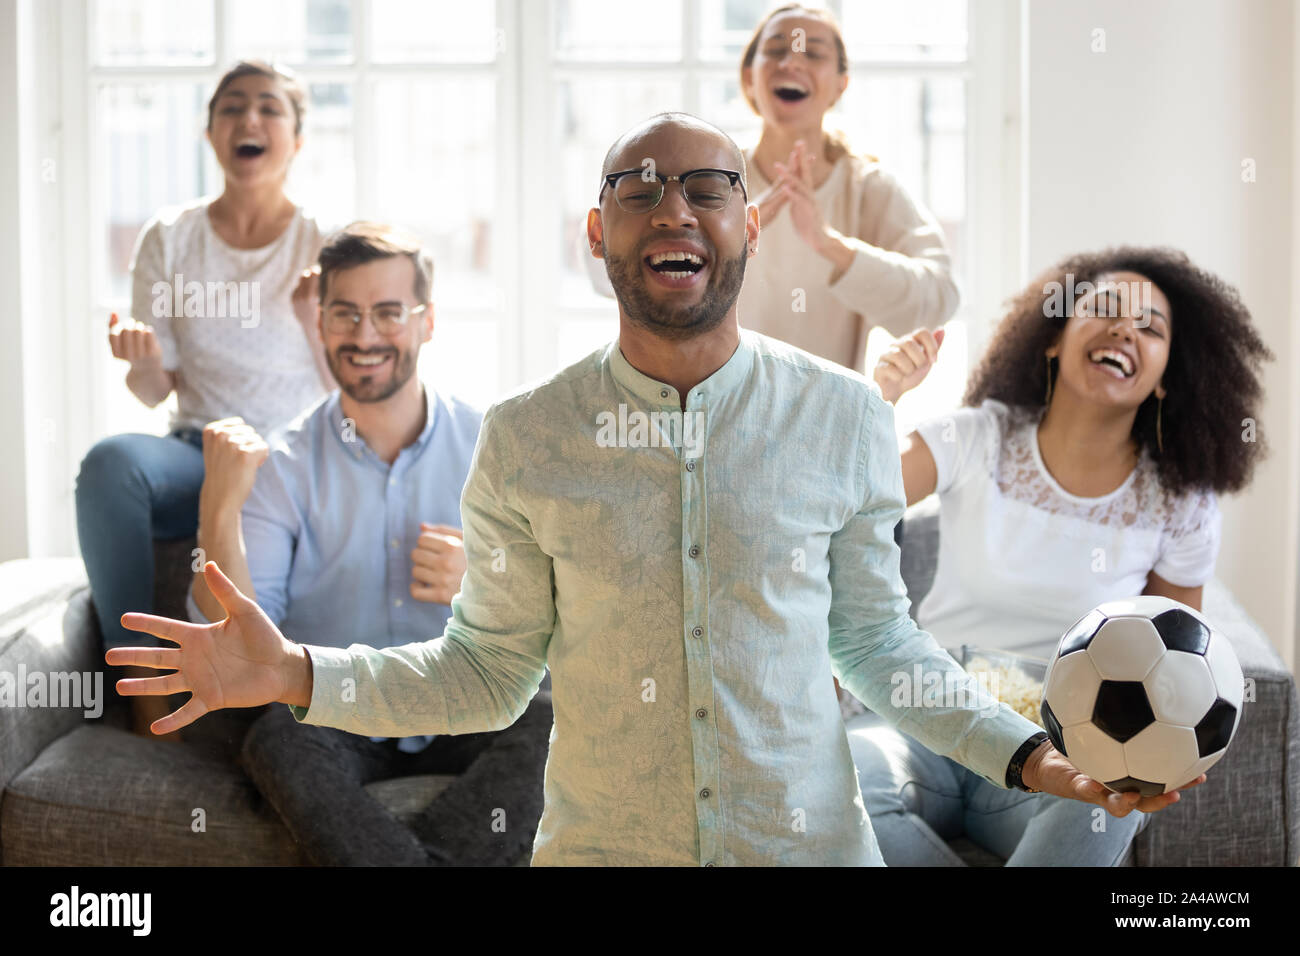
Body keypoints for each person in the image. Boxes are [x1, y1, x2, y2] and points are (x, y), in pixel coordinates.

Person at [108, 115, 1200, 867]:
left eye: (707, 187)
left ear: (750, 226)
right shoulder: (530, 437)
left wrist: (1035, 759)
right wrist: (297, 671)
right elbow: (484, 675)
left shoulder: (844, 416)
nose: (671, 208)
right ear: (599, 235)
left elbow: (879, 648)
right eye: (637, 189)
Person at [857, 247, 1270, 865]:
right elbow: (844, 498)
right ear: (1054, 340)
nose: (1124, 329)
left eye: (1149, 327)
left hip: (1061, 753)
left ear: (1164, 377)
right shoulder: (975, 437)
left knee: (1105, 813)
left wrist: (1159, 756)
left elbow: (1184, 666)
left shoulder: (1180, 504)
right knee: (851, 784)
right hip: (924, 720)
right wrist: (877, 398)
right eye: (1104, 310)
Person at [187, 222, 550, 866]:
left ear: (427, 322)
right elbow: (238, 639)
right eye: (345, 314)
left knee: (559, 719)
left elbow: (570, 603)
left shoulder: (495, 444)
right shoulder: (283, 463)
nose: (364, 335)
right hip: (335, 702)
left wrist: (489, 576)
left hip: (467, 699)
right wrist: (219, 504)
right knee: (277, 738)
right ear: (320, 323)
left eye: (387, 313)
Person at [76, 60, 333, 738]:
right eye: (232, 108)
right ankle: (142, 690)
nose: (249, 120)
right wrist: (146, 361)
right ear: (211, 132)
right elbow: (152, 391)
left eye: (269, 108)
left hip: (287, 455)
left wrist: (313, 321)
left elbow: (354, 390)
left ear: (296, 139)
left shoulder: (324, 243)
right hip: (194, 447)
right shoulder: (169, 237)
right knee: (110, 463)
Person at [735, 3, 959, 373]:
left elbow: (939, 299)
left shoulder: (869, 188)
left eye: (813, 53)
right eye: (776, 51)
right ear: (748, 76)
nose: (790, 63)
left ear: (841, 85)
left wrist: (828, 243)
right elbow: (620, 276)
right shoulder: (712, 179)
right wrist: (727, 237)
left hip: (830, 421)